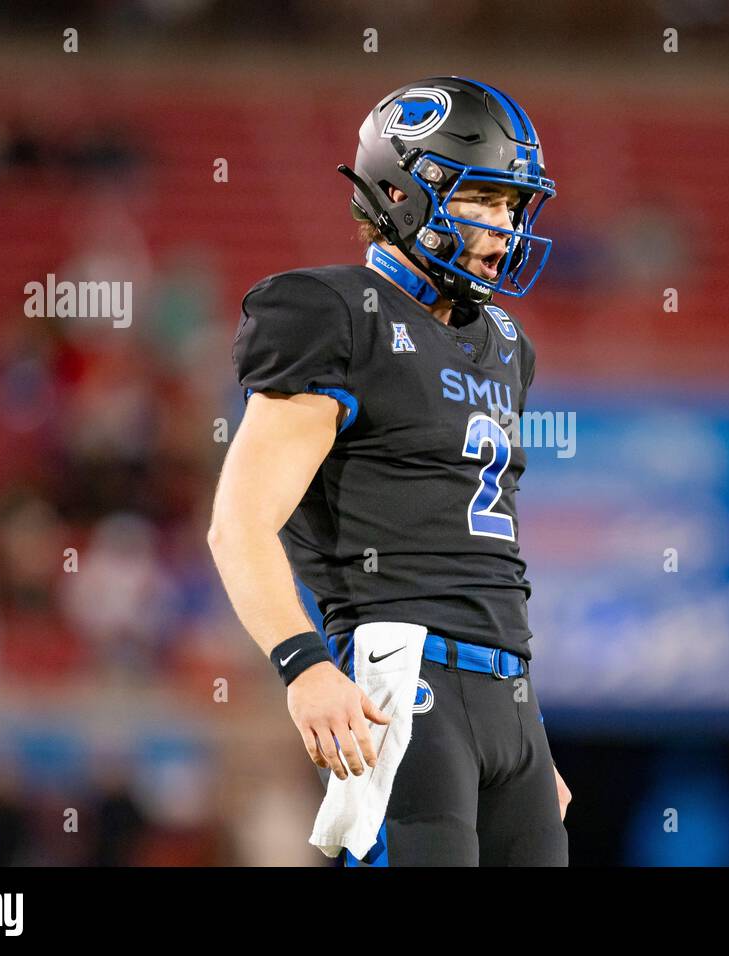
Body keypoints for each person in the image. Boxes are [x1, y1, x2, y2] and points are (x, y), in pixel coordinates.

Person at [208, 77, 570, 865]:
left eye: (513, 207)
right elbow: (238, 524)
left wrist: (526, 723)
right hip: (403, 682)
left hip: (509, 696)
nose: (505, 229)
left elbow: (482, 550)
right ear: (406, 193)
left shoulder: (504, 342)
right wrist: (302, 665)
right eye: (484, 200)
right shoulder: (329, 313)